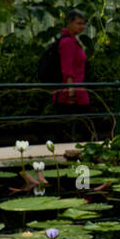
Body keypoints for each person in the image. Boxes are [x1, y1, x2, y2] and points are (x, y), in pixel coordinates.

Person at [52, 10, 88, 143]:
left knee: (67, 123)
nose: (81, 27)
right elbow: (67, 68)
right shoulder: (68, 43)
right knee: (81, 123)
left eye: (83, 24)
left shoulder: (72, 41)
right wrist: (70, 89)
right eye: (78, 23)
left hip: (73, 88)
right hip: (71, 90)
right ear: (69, 23)